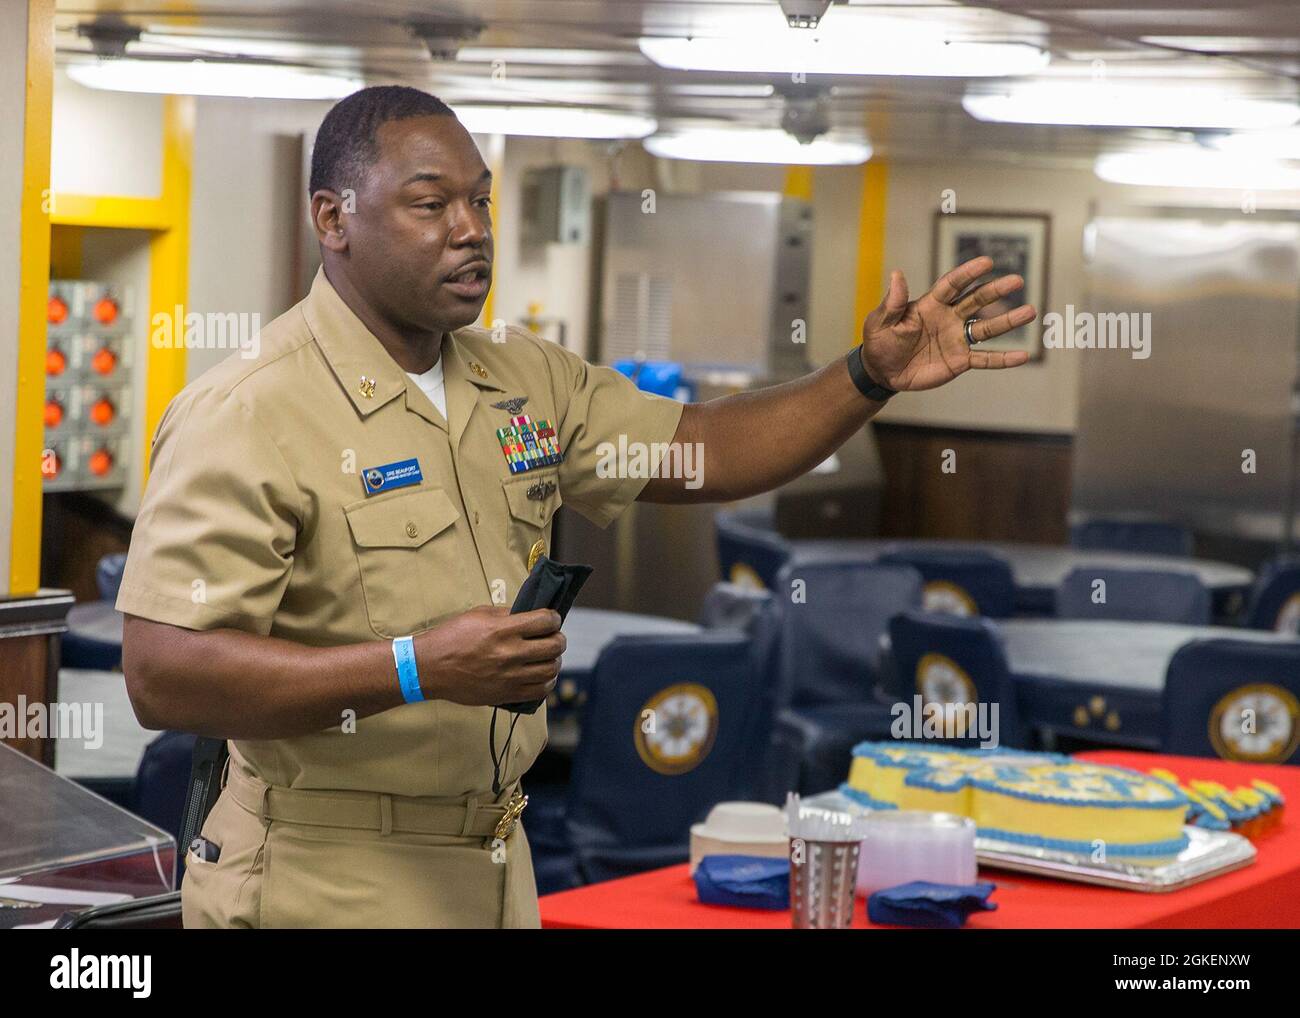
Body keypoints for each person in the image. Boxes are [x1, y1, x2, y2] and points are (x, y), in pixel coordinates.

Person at [118, 85, 1035, 928]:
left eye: (479, 200)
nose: (471, 229)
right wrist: (413, 667)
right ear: (335, 218)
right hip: (322, 873)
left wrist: (867, 376)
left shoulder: (523, 377)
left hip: (495, 863)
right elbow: (165, 672)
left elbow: (707, 448)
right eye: (431, 204)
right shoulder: (249, 410)